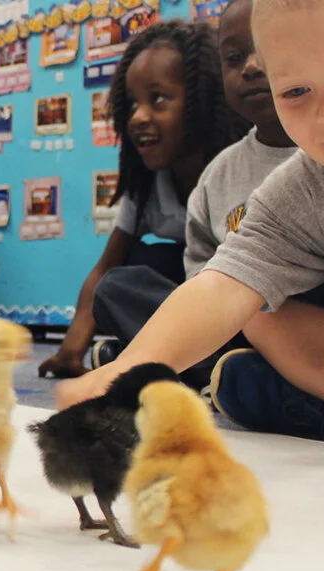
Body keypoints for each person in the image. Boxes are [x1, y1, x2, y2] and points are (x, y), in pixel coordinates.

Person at [57, 0, 324, 444]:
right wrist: (125, 371)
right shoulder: (304, 185)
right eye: (296, 91)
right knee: (264, 314)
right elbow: (224, 284)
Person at [89, 0, 297, 387]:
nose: (252, 66)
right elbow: (200, 285)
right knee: (124, 281)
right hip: (230, 320)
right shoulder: (217, 178)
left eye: (158, 99)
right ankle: (211, 367)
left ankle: (162, 365)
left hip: (303, 322)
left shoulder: (323, 157)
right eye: (234, 57)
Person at [37, 20, 245, 379]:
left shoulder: (237, 170)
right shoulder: (147, 183)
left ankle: (181, 362)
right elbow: (106, 268)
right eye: (132, 104)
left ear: (199, 100)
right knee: (120, 280)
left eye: (158, 99)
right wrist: (71, 350)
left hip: (245, 310)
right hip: (192, 313)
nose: (138, 117)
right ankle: (195, 365)